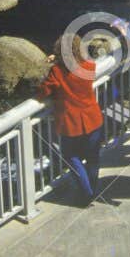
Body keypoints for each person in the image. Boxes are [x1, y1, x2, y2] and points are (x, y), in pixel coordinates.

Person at [39, 36, 104, 207]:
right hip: (92, 118)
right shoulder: (89, 66)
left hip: (70, 122)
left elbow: (43, 91)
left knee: (71, 157)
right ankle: (92, 190)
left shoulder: (57, 72)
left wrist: (50, 65)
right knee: (93, 158)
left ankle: (86, 193)